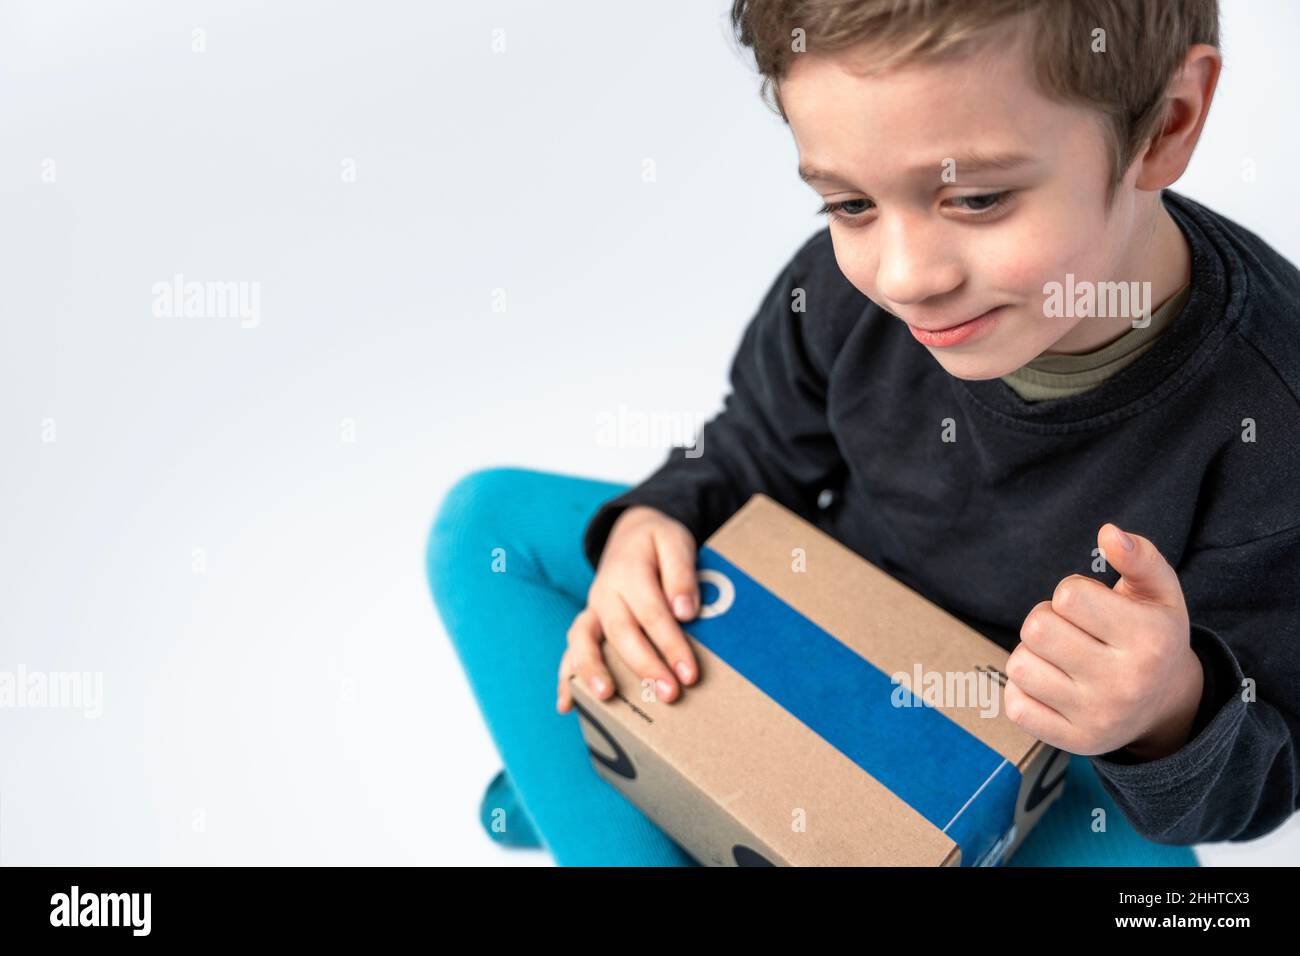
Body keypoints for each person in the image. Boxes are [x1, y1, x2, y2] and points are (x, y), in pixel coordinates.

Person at [428, 0, 1300, 865]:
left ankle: (602, 791)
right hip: (813, 633)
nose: (904, 275)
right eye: (847, 205)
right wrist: (656, 519)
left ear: (1167, 124)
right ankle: (646, 808)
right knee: (489, 524)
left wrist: (1167, 713)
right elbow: (752, 445)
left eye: (978, 198)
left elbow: (1270, 762)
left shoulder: (1274, 412)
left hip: (1031, 763)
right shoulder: (847, 291)